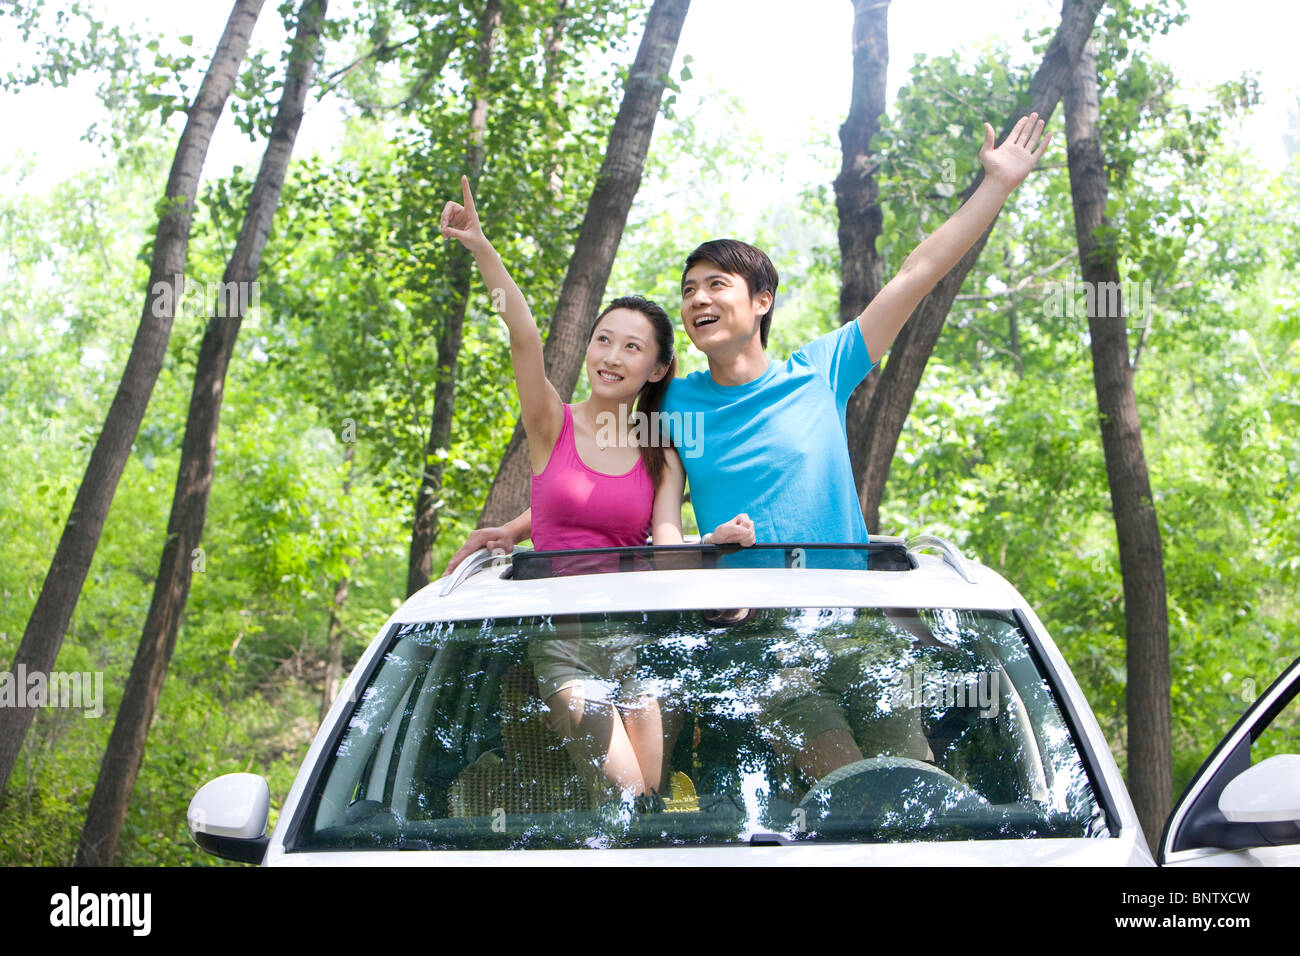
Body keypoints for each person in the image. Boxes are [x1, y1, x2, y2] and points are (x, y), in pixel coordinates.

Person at [444, 113, 1051, 784]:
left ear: (761, 301)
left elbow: (916, 274)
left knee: (913, 782)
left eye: (716, 285)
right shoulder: (672, 404)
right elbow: (602, 477)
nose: (698, 298)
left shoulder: (821, 371)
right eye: (689, 289)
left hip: (856, 627)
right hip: (762, 642)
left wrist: (994, 187)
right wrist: (522, 525)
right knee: (844, 783)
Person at [439, 177, 753, 803]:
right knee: (628, 794)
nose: (611, 355)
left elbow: (662, 545)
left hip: (630, 644)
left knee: (653, 801)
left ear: (657, 368)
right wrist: (480, 247)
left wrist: (710, 545)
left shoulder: (660, 448)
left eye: (632, 347)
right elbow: (524, 336)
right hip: (563, 642)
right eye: (603, 340)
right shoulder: (550, 423)